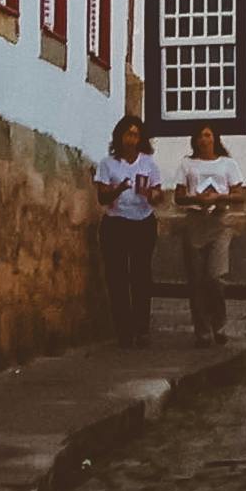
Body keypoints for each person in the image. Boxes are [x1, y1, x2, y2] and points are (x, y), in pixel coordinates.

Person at [93, 118, 166, 344]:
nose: (131, 140)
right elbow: (102, 197)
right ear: (119, 137)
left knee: (141, 275)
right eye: (127, 134)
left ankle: (141, 328)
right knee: (117, 277)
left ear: (140, 138)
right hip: (116, 223)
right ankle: (123, 329)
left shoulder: (149, 164)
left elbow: (159, 195)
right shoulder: (108, 164)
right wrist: (120, 188)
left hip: (142, 222)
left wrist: (152, 195)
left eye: (135, 135)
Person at [174, 122, 241, 341]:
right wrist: (197, 199)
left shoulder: (227, 163)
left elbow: (239, 195)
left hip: (219, 221)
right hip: (195, 221)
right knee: (196, 279)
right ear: (195, 141)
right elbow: (179, 197)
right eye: (200, 136)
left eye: (208, 135)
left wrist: (219, 197)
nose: (204, 140)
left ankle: (219, 324)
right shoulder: (187, 164)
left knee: (215, 276)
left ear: (215, 138)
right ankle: (202, 330)